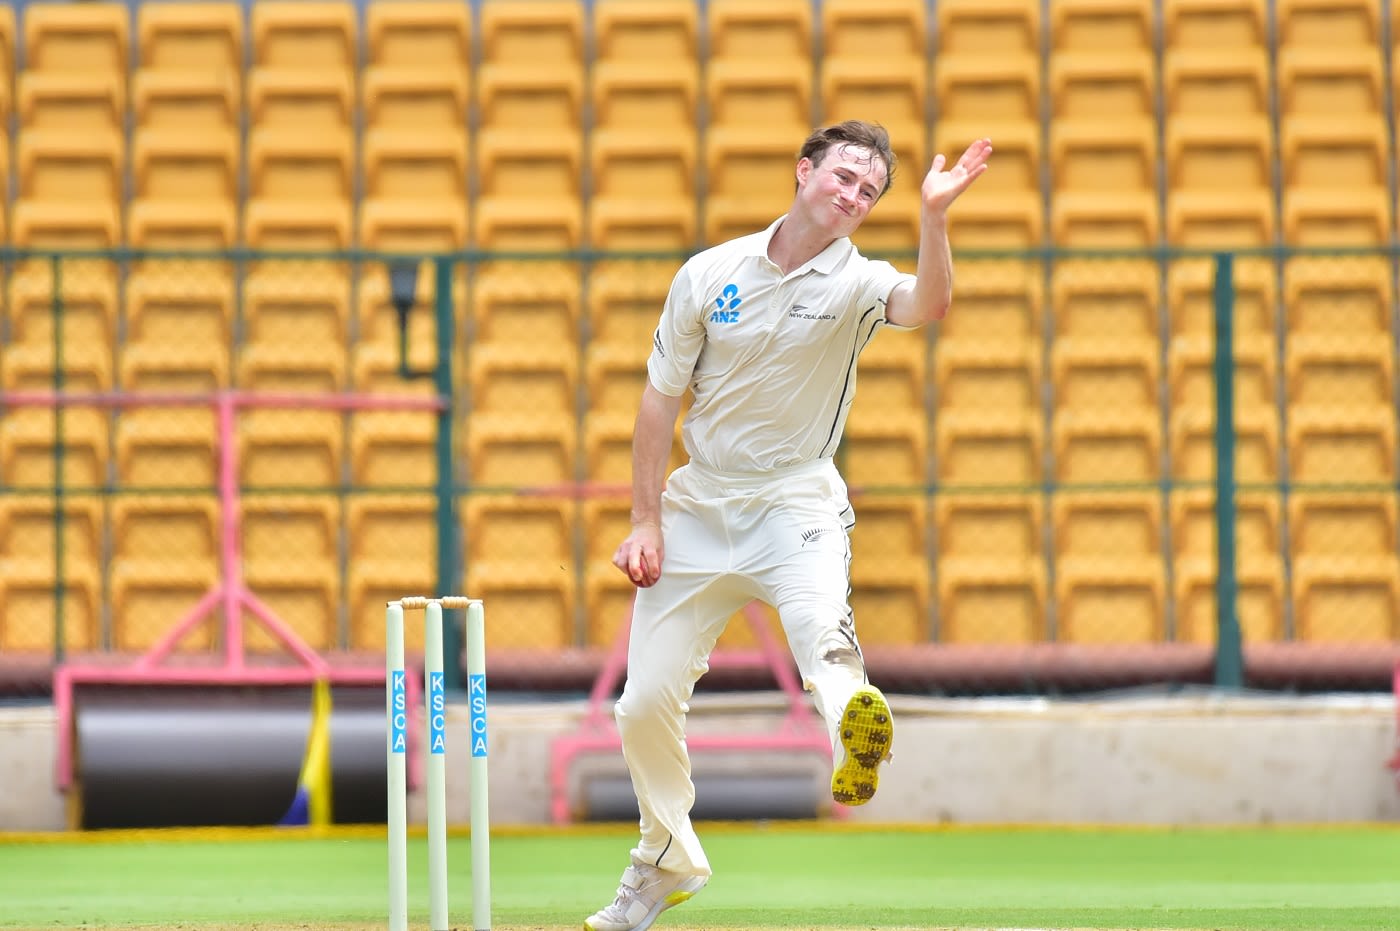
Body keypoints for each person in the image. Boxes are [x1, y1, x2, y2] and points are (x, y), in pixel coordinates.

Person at [584, 120, 992, 931]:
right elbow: (659, 400)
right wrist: (646, 518)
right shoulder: (709, 274)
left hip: (795, 502)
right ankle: (665, 858)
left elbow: (930, 302)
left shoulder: (858, 283)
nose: (853, 195)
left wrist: (936, 217)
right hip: (700, 506)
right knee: (641, 704)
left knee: (818, 629)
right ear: (804, 171)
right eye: (843, 176)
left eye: (870, 192)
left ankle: (855, 735)